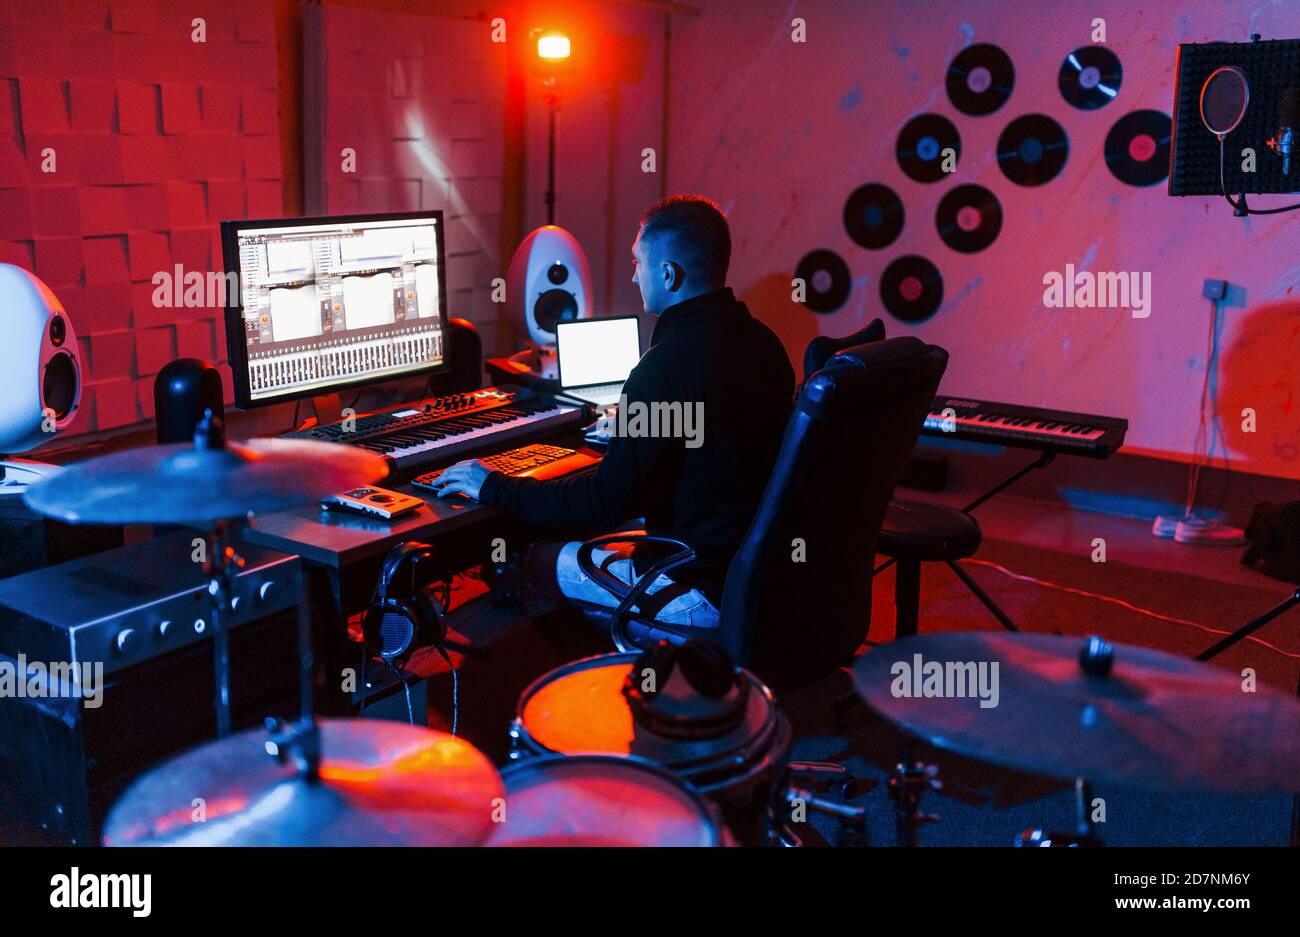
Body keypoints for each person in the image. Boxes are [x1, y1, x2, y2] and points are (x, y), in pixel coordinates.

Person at [429, 195, 794, 628]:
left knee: (536, 558)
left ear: (668, 274)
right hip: (758, 580)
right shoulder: (766, 345)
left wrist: (493, 486)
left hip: (696, 591)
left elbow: (604, 503)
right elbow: (707, 432)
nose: (633, 274)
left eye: (638, 262)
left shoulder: (661, 368)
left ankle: (605, 676)